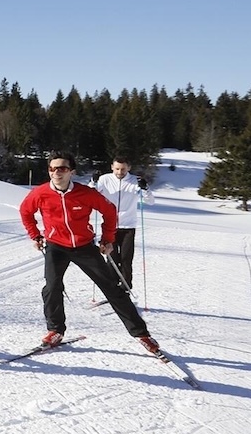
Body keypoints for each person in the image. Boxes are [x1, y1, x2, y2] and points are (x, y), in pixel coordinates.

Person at [19, 151, 159, 353]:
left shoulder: (85, 193)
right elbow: (25, 211)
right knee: (52, 287)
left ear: (72, 172)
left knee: (112, 287)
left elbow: (109, 211)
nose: (57, 172)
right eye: (53, 168)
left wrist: (107, 238)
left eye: (62, 168)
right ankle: (55, 330)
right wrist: (35, 235)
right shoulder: (40, 193)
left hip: (83, 246)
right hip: (56, 245)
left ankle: (141, 334)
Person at [94, 155, 152, 288]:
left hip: (128, 226)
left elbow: (150, 201)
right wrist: (93, 182)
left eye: (123, 169)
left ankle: (126, 287)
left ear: (129, 168)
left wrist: (145, 188)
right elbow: (91, 193)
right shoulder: (105, 179)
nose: (120, 172)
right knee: (111, 258)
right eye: (117, 169)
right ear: (112, 167)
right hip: (110, 225)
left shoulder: (134, 181)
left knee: (126, 259)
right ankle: (112, 287)